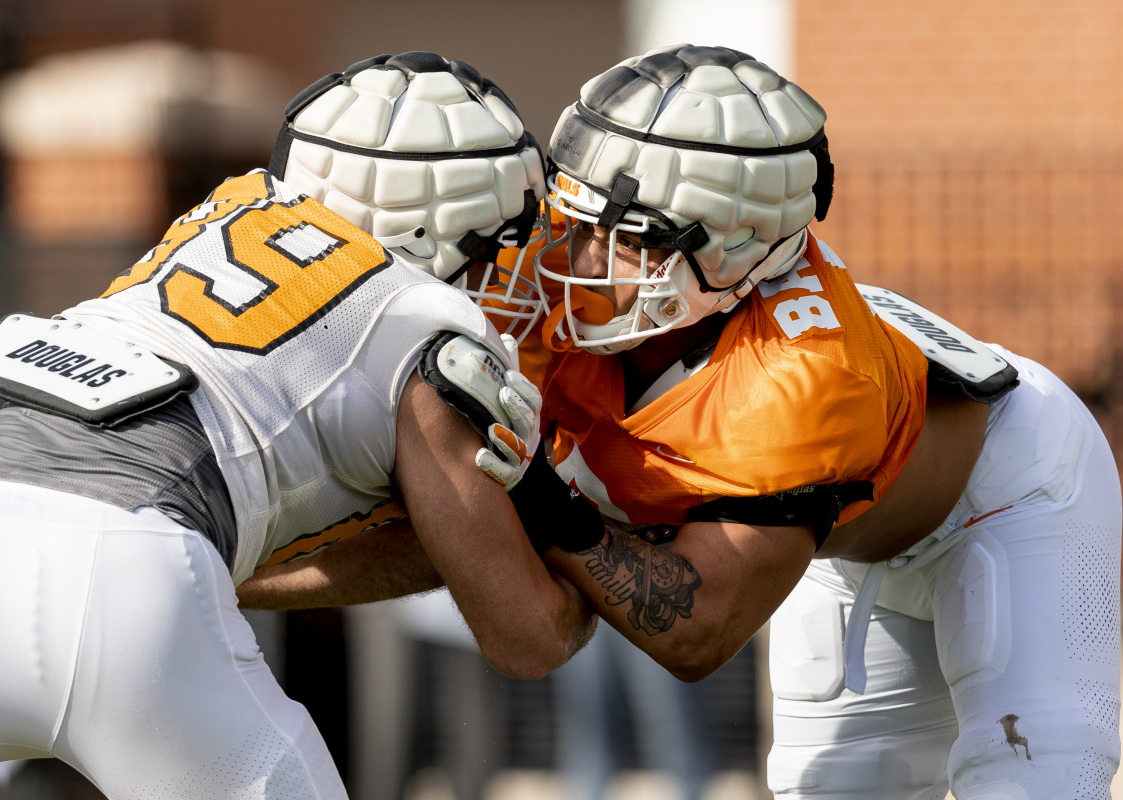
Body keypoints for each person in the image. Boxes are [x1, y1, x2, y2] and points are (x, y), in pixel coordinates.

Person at [0, 51, 594, 799]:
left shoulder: (221, 216)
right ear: (444, 221)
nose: (511, 266)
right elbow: (528, 637)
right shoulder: (425, 331)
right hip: (125, 573)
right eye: (504, 237)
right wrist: (578, 568)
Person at [477, 44, 1121, 799]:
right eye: (577, 217)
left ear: (735, 250)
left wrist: (536, 495)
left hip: (1003, 495)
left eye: (624, 237)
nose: (579, 259)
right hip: (842, 534)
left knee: (1032, 780)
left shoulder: (799, 381)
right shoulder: (574, 283)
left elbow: (696, 630)